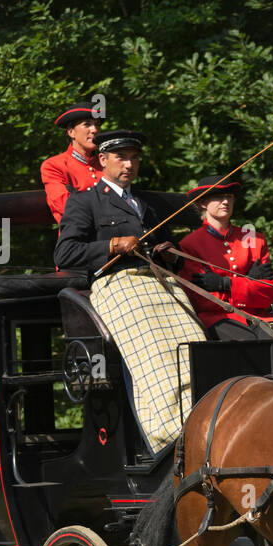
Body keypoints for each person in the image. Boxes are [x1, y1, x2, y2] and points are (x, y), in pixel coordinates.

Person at [54, 130, 206, 456]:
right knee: (156, 355)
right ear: (103, 160)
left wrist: (169, 252)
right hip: (117, 286)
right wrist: (112, 244)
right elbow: (65, 254)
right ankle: (169, 442)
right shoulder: (85, 201)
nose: (129, 164)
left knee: (194, 345)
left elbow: (168, 246)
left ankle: (204, 427)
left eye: (134, 158)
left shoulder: (146, 205)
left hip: (159, 284)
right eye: (121, 157)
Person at [176, 175, 273, 340]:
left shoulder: (253, 238)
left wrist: (225, 284)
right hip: (218, 319)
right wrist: (248, 282)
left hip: (262, 318)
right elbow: (203, 300)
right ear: (203, 202)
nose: (225, 201)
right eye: (218, 196)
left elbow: (270, 292)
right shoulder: (190, 244)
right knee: (250, 347)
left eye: (229, 197)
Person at [40, 101, 104, 224]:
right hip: (79, 237)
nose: (95, 129)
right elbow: (66, 206)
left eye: (97, 124)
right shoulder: (54, 165)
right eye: (87, 124)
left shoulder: (106, 163)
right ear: (71, 132)